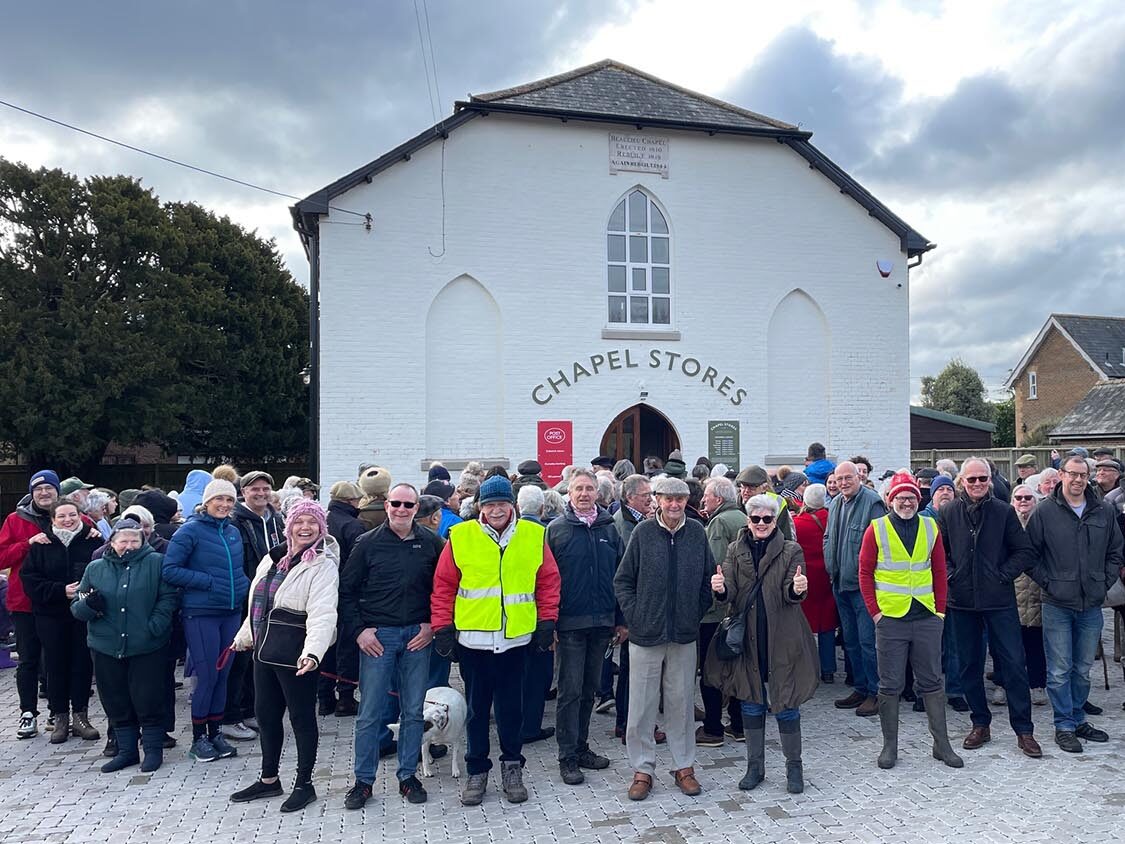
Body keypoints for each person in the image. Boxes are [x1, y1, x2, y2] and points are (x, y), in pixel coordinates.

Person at [431, 474, 560, 806]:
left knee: (511, 710)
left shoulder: (534, 535)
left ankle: (512, 766)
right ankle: (477, 770)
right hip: (474, 642)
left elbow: (548, 581)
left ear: (513, 505)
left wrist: (547, 620)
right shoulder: (460, 536)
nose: (496, 510)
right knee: (476, 711)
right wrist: (442, 627)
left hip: (516, 640)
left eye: (502, 503)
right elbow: (444, 586)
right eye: (490, 505)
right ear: (480, 508)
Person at [229, 499, 340, 813]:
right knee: (265, 716)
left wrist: (313, 654)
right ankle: (268, 780)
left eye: (312, 522)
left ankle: (305, 784)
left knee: (302, 718)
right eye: (299, 521)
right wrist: (244, 636)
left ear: (321, 527)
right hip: (265, 651)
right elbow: (257, 603)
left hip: (297, 654)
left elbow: (322, 614)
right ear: (288, 525)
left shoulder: (322, 565)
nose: (305, 528)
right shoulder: (273, 557)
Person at [705, 494, 818, 794]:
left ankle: (794, 767)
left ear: (774, 520)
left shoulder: (791, 550)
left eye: (767, 518)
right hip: (749, 639)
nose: (761, 523)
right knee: (751, 701)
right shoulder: (735, 549)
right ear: (748, 520)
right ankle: (755, 767)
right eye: (756, 518)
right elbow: (728, 591)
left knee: (786, 703)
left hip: (783, 637)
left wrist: (796, 588)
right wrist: (721, 588)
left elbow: (790, 592)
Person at [339, 483, 441, 809]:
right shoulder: (367, 544)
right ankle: (363, 781)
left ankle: (407, 776)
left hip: (416, 636)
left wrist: (432, 626)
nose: (401, 509)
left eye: (408, 505)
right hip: (378, 637)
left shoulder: (431, 543)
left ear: (416, 508)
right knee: (370, 713)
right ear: (386, 505)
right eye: (395, 503)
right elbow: (347, 592)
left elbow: (442, 589)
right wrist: (359, 632)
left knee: (413, 710)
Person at [614, 476, 714, 801]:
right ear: (656, 499)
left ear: (687, 501)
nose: (673, 505)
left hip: (683, 634)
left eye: (679, 499)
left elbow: (707, 578)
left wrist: (694, 612)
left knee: (681, 702)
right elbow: (623, 581)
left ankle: (683, 765)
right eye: (667, 499)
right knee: (641, 706)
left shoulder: (696, 533)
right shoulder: (643, 533)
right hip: (646, 634)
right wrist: (637, 615)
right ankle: (643, 768)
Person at [936, 457, 1041, 758]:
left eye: (983, 479)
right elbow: (940, 554)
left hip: (999, 601)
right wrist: (954, 575)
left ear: (990, 481)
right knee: (969, 665)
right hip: (963, 602)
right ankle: (980, 722)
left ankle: (1024, 730)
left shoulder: (1003, 512)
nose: (978, 484)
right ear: (962, 483)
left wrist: (1002, 574)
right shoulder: (948, 512)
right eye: (972, 480)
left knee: (1013, 664)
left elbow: (1024, 552)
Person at [857, 472, 963, 770]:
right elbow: (864, 572)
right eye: (901, 497)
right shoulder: (876, 529)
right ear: (890, 500)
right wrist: (875, 612)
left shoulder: (931, 527)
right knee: (890, 684)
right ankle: (890, 746)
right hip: (890, 617)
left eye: (912, 497)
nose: (907, 502)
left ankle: (941, 744)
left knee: (931, 681)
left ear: (919, 500)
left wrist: (940, 611)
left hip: (926, 615)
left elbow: (940, 571)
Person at [1026, 455, 1124, 752]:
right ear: (1061, 475)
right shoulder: (1044, 512)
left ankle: (1079, 718)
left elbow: (1116, 551)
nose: (1079, 480)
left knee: (1082, 669)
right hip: (1056, 603)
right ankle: (1064, 724)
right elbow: (1029, 555)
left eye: (1084, 475)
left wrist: (1102, 582)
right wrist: (1051, 582)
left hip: (1091, 604)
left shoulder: (1103, 511)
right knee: (1059, 669)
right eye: (1073, 474)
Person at [73, 519, 178, 773]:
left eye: (134, 540)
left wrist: (154, 626)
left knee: (148, 697)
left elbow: (169, 597)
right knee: (115, 698)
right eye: (123, 540)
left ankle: (153, 750)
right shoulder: (96, 568)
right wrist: (89, 606)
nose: (128, 545)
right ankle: (127, 751)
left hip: (146, 644)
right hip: (106, 645)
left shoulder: (156, 563)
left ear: (142, 541)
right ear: (113, 542)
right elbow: (77, 607)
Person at [162, 478, 250, 762]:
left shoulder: (233, 531)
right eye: (219, 500)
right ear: (207, 502)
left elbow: (238, 568)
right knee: (208, 675)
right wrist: (208, 582)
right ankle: (199, 737)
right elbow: (170, 570)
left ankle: (215, 732)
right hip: (202, 613)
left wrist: (242, 584)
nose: (224, 505)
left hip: (231, 611)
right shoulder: (189, 531)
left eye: (229, 500)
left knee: (223, 675)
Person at [546, 468, 625, 785]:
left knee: (590, 690)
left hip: (602, 622)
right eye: (578, 488)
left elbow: (621, 577)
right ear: (569, 492)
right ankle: (567, 756)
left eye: (589, 489)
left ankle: (581, 747)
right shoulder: (557, 530)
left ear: (598, 493)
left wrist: (621, 619)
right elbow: (546, 580)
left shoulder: (610, 528)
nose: (583, 494)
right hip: (569, 624)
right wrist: (548, 621)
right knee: (569, 691)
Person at [21, 499, 103, 743]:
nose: (68, 520)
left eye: (72, 515)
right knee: (54, 665)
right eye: (62, 516)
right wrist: (60, 590)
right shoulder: (41, 544)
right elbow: (30, 580)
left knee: (81, 663)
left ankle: (80, 716)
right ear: (53, 519)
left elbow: (102, 574)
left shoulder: (94, 541)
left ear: (80, 516)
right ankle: (59, 717)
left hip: (83, 615)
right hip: (50, 615)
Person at [223, 470, 285, 743]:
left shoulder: (276, 519)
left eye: (265, 489)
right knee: (239, 658)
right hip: (245, 597)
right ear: (243, 492)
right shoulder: (236, 521)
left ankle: (249, 709)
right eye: (254, 489)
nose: (260, 494)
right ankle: (231, 715)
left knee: (255, 659)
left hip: (271, 596)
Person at [1, 470, 62, 739]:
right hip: (23, 601)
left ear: (57, 491)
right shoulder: (15, 520)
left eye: (49, 488)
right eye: (38, 489)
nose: (44, 492)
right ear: (31, 493)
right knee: (28, 659)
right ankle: (28, 713)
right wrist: (27, 543)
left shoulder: (67, 515)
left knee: (56, 657)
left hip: (57, 599)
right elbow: (1, 557)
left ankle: (57, 710)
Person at [823, 461, 887, 717]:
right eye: (839, 479)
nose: (843, 483)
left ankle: (876, 692)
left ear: (859, 477)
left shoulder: (872, 503)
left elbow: (881, 543)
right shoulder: (836, 503)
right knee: (850, 641)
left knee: (867, 641)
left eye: (848, 478)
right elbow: (829, 536)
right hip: (840, 583)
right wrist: (830, 564)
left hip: (864, 587)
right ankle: (860, 687)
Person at [696, 476, 748, 744]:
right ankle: (739, 725)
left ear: (718, 497)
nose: (703, 499)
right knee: (735, 666)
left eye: (707, 495)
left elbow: (713, 567)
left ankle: (713, 727)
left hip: (716, 611)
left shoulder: (718, 523)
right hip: (740, 607)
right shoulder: (742, 517)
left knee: (711, 669)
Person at [791, 484, 838, 684]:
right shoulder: (833, 520)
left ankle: (806, 667)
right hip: (826, 576)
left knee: (803, 624)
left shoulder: (797, 523)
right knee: (826, 624)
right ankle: (828, 670)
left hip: (806, 578)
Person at [1011, 487, 1047, 706]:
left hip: (1036, 592)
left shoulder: (1042, 524)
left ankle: (1038, 684)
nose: (1023, 501)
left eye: (1028, 498)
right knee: (1008, 647)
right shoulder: (1006, 524)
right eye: (1019, 498)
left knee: (1036, 644)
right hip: (1012, 593)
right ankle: (1005, 684)